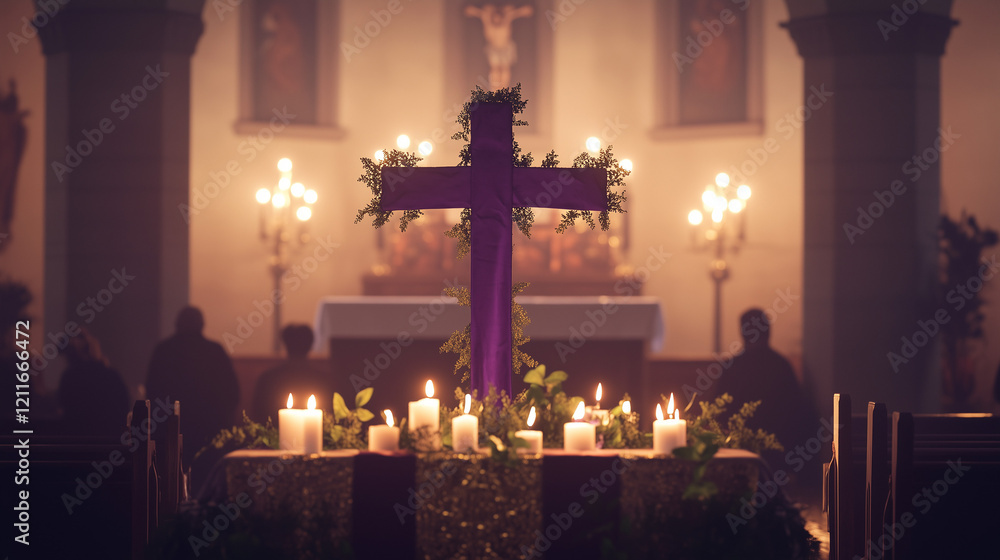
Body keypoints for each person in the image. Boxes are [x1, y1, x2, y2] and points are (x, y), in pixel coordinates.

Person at [714, 308, 816, 467]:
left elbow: (719, 412)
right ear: (768, 331)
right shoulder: (780, 365)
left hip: (739, 454)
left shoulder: (732, 367)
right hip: (777, 455)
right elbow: (797, 412)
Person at [146, 307, 239, 470]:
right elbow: (233, 394)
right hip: (210, 433)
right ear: (202, 325)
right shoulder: (215, 351)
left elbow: (152, 392)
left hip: (169, 432)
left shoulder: (164, 351)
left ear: (177, 324)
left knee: (172, 479)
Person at [250, 324, 334, 424]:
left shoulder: (268, 378)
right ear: (311, 345)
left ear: (285, 344)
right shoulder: (324, 380)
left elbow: (259, 415)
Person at [55, 329, 131, 437]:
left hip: (77, 445)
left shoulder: (69, 378)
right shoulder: (111, 376)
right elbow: (124, 412)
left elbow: (65, 413)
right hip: (110, 443)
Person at [465, 3, 534, 90]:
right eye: (495, 18)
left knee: (505, 68)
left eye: (498, 18)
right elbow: (481, 13)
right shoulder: (488, 22)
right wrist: (472, 11)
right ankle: (495, 89)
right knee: (495, 69)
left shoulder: (505, 22)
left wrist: (524, 11)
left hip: (506, 48)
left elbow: (513, 14)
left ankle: (504, 88)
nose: (497, 20)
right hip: (493, 48)